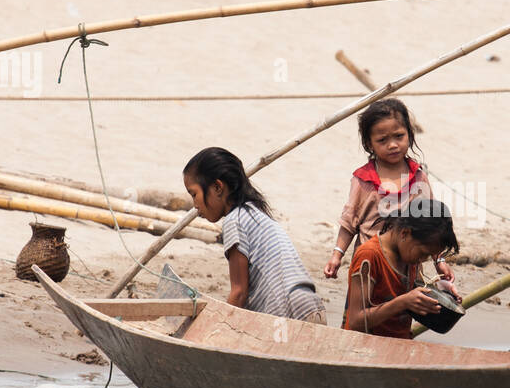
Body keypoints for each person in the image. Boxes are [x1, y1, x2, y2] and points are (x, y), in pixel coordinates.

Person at [182, 147, 327, 324]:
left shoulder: (234, 221)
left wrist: (220, 326)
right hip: (311, 307)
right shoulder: (254, 212)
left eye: (194, 194)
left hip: (287, 315)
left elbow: (239, 292)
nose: (194, 204)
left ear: (218, 187)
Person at [323, 99, 455, 291]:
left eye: (399, 136)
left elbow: (431, 225)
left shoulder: (418, 178)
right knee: (365, 314)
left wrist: (439, 260)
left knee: (401, 312)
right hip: (370, 264)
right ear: (369, 143)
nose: (392, 145)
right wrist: (337, 255)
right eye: (382, 140)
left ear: (410, 134)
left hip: (409, 265)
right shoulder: (363, 180)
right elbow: (349, 222)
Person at [343, 198, 460, 339]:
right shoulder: (369, 256)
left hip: (398, 346)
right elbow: (355, 321)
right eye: (423, 253)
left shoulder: (410, 258)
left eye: (429, 256)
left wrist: (439, 293)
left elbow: (413, 296)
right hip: (364, 348)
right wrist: (403, 302)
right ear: (405, 233)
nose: (423, 260)